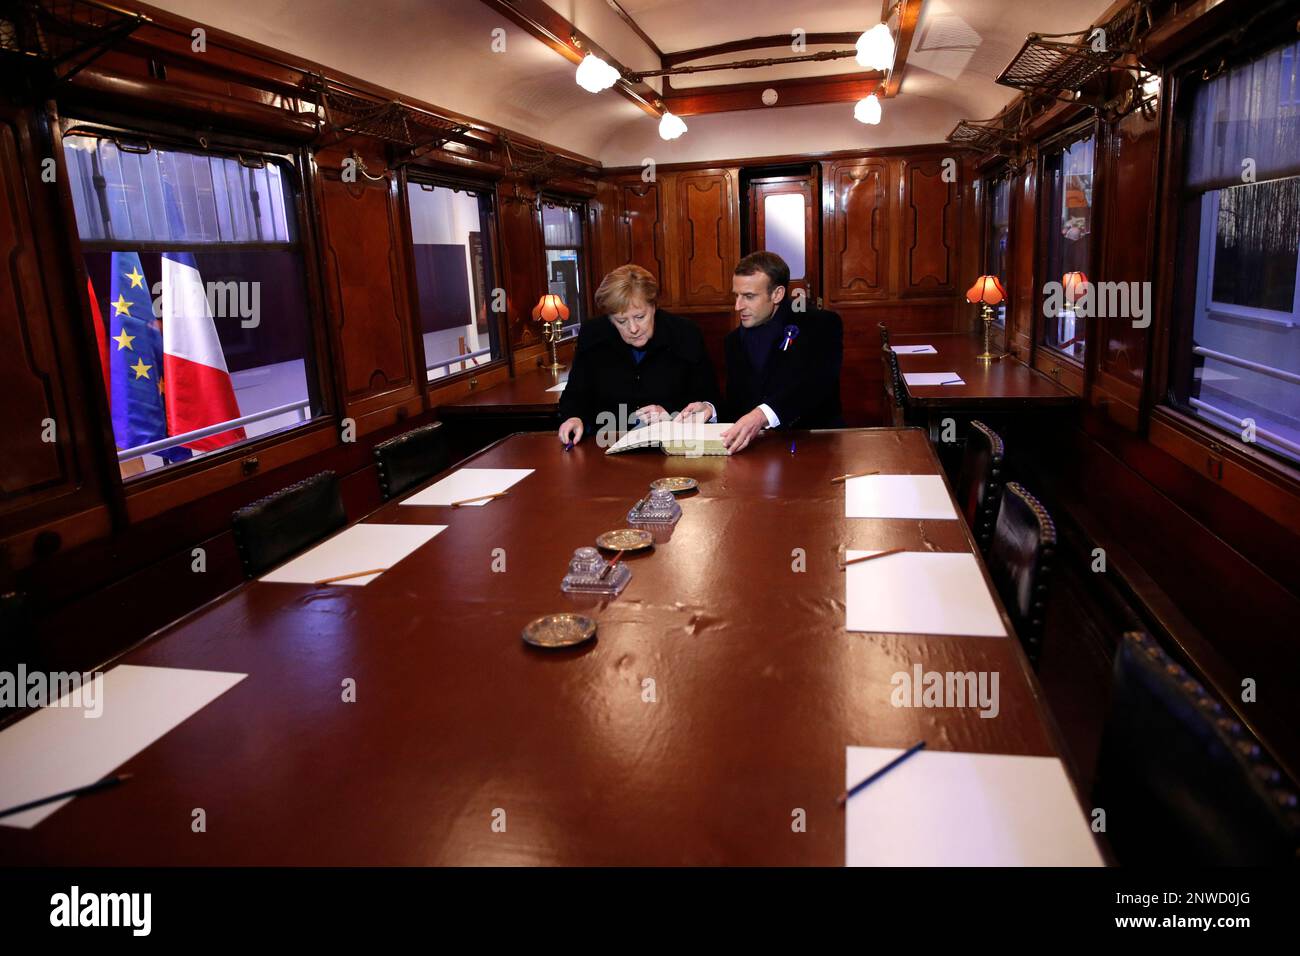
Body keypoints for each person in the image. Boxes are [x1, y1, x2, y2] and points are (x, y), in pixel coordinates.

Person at [678, 251, 843, 453]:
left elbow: (814, 387)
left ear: (777, 294)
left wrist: (761, 415)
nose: (738, 306)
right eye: (736, 296)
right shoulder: (733, 341)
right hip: (759, 452)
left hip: (814, 449)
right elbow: (738, 407)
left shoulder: (821, 324)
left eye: (749, 296)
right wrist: (710, 410)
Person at [557, 265, 719, 447]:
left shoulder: (686, 334)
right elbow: (574, 396)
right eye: (621, 321)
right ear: (610, 318)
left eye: (640, 317)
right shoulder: (593, 334)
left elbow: (709, 399)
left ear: (654, 307)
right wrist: (574, 418)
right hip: (606, 447)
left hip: (674, 447)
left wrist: (673, 416)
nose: (633, 329)